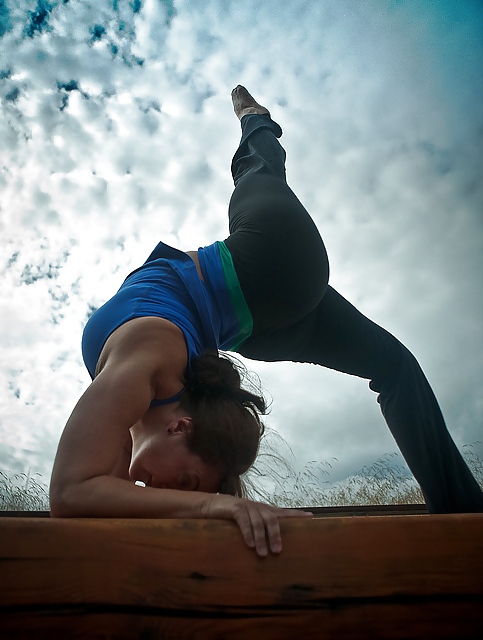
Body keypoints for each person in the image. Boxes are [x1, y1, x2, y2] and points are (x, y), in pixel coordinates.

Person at [50, 86, 483, 556]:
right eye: (190, 483)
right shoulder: (142, 395)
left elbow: (71, 493)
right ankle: (467, 516)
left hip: (264, 265)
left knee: (256, 172)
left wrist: (210, 509)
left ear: (182, 427)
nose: (169, 492)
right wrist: (215, 509)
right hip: (263, 303)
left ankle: (256, 121)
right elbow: (87, 499)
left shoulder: (143, 364)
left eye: (190, 484)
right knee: (394, 364)